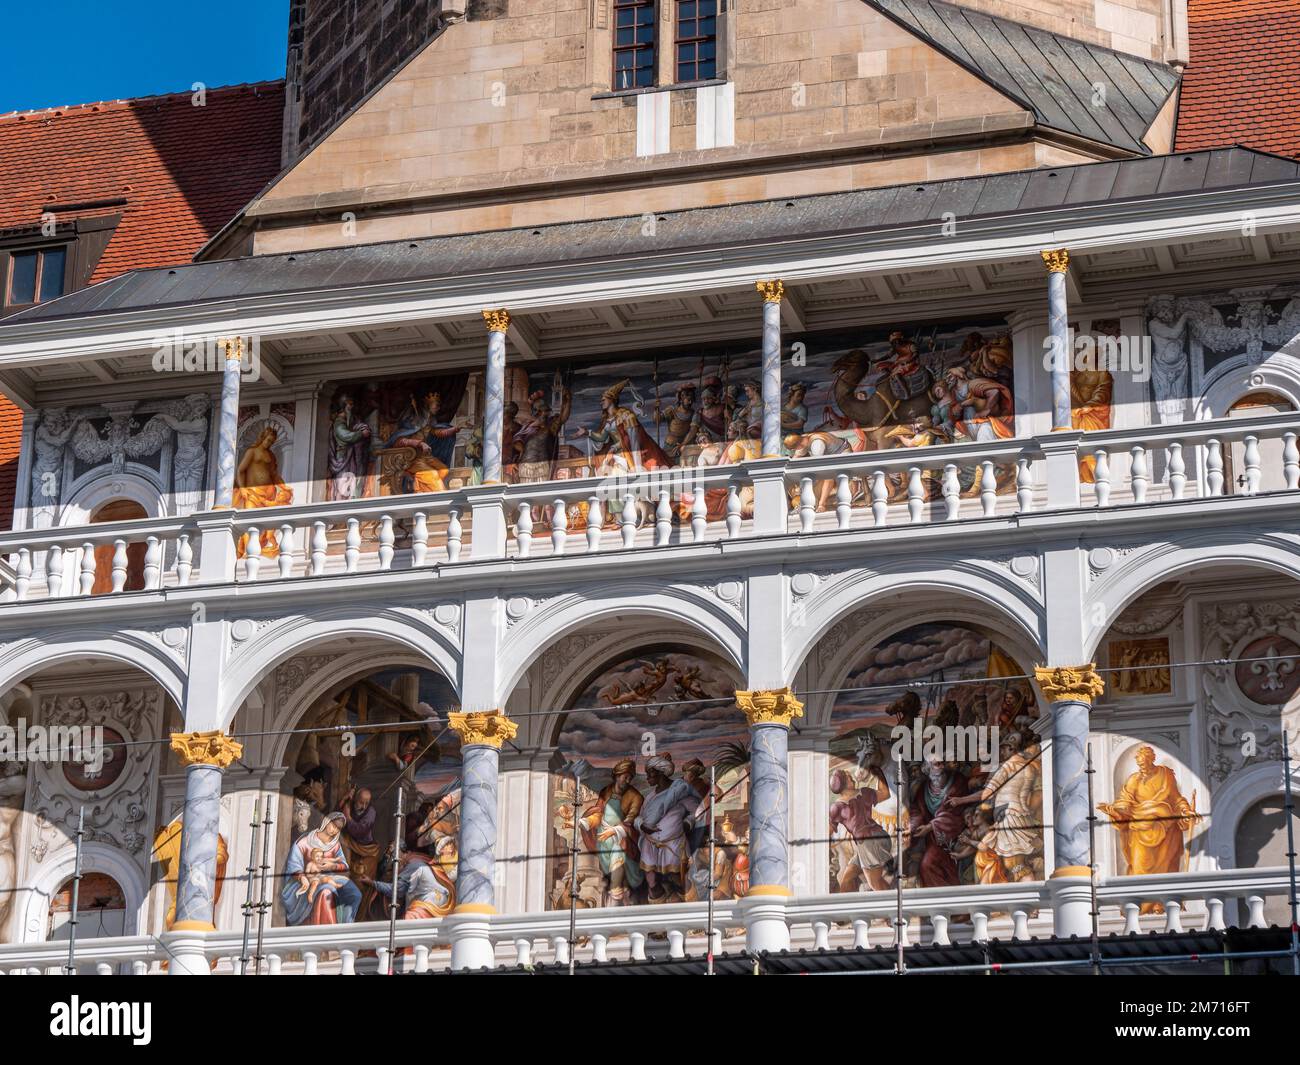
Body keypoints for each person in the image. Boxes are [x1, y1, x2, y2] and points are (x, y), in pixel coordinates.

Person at [1099, 746, 1201, 911]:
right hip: (1140, 832)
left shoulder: (1165, 775)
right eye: (1139, 764)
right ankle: (1140, 907)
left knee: (1166, 867)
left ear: (1151, 760)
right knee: (1139, 867)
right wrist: (1114, 811)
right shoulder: (1134, 780)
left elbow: (1176, 798)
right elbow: (1124, 802)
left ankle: (1164, 904)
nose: (1142, 768)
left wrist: (1185, 810)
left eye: (1144, 763)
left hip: (1166, 830)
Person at [634, 754, 700, 902]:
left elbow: (697, 810)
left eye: (650, 774)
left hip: (673, 843)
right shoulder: (650, 797)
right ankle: (657, 911)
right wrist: (642, 825)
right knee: (651, 882)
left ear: (660, 772)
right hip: (650, 844)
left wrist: (688, 822)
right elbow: (640, 817)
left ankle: (691, 906)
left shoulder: (679, 790)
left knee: (677, 878)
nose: (647, 778)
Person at [579, 759, 644, 906]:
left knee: (619, 852)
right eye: (624, 776)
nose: (627, 780)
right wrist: (585, 822)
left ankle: (615, 896)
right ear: (617, 775)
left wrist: (614, 831)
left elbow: (630, 820)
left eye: (630, 777)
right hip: (603, 839)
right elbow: (598, 812)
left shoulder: (636, 797)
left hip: (623, 838)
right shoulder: (606, 791)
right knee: (609, 866)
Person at [281, 812, 362, 925]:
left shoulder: (335, 844)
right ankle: (329, 929)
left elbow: (344, 865)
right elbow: (293, 865)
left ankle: (346, 924)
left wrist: (332, 866)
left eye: (338, 828)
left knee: (355, 893)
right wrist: (302, 878)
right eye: (333, 825)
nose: (334, 830)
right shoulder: (305, 841)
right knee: (326, 892)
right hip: (307, 880)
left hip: (330, 878)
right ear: (326, 821)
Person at [234, 425, 294, 557]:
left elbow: (274, 475)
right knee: (249, 522)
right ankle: (246, 551)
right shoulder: (252, 451)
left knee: (264, 526)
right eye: (268, 440)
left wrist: (284, 487)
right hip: (252, 493)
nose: (269, 443)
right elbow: (240, 470)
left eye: (272, 441)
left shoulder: (271, 455)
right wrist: (243, 489)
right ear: (263, 438)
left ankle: (257, 549)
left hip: (269, 494)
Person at [341, 786, 381, 919]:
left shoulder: (371, 813)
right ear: (355, 799)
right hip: (351, 851)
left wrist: (348, 817)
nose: (363, 806)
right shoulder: (350, 805)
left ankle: (358, 917)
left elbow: (359, 831)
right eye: (361, 802)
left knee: (361, 886)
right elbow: (337, 816)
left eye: (366, 803)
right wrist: (345, 800)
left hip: (367, 853)